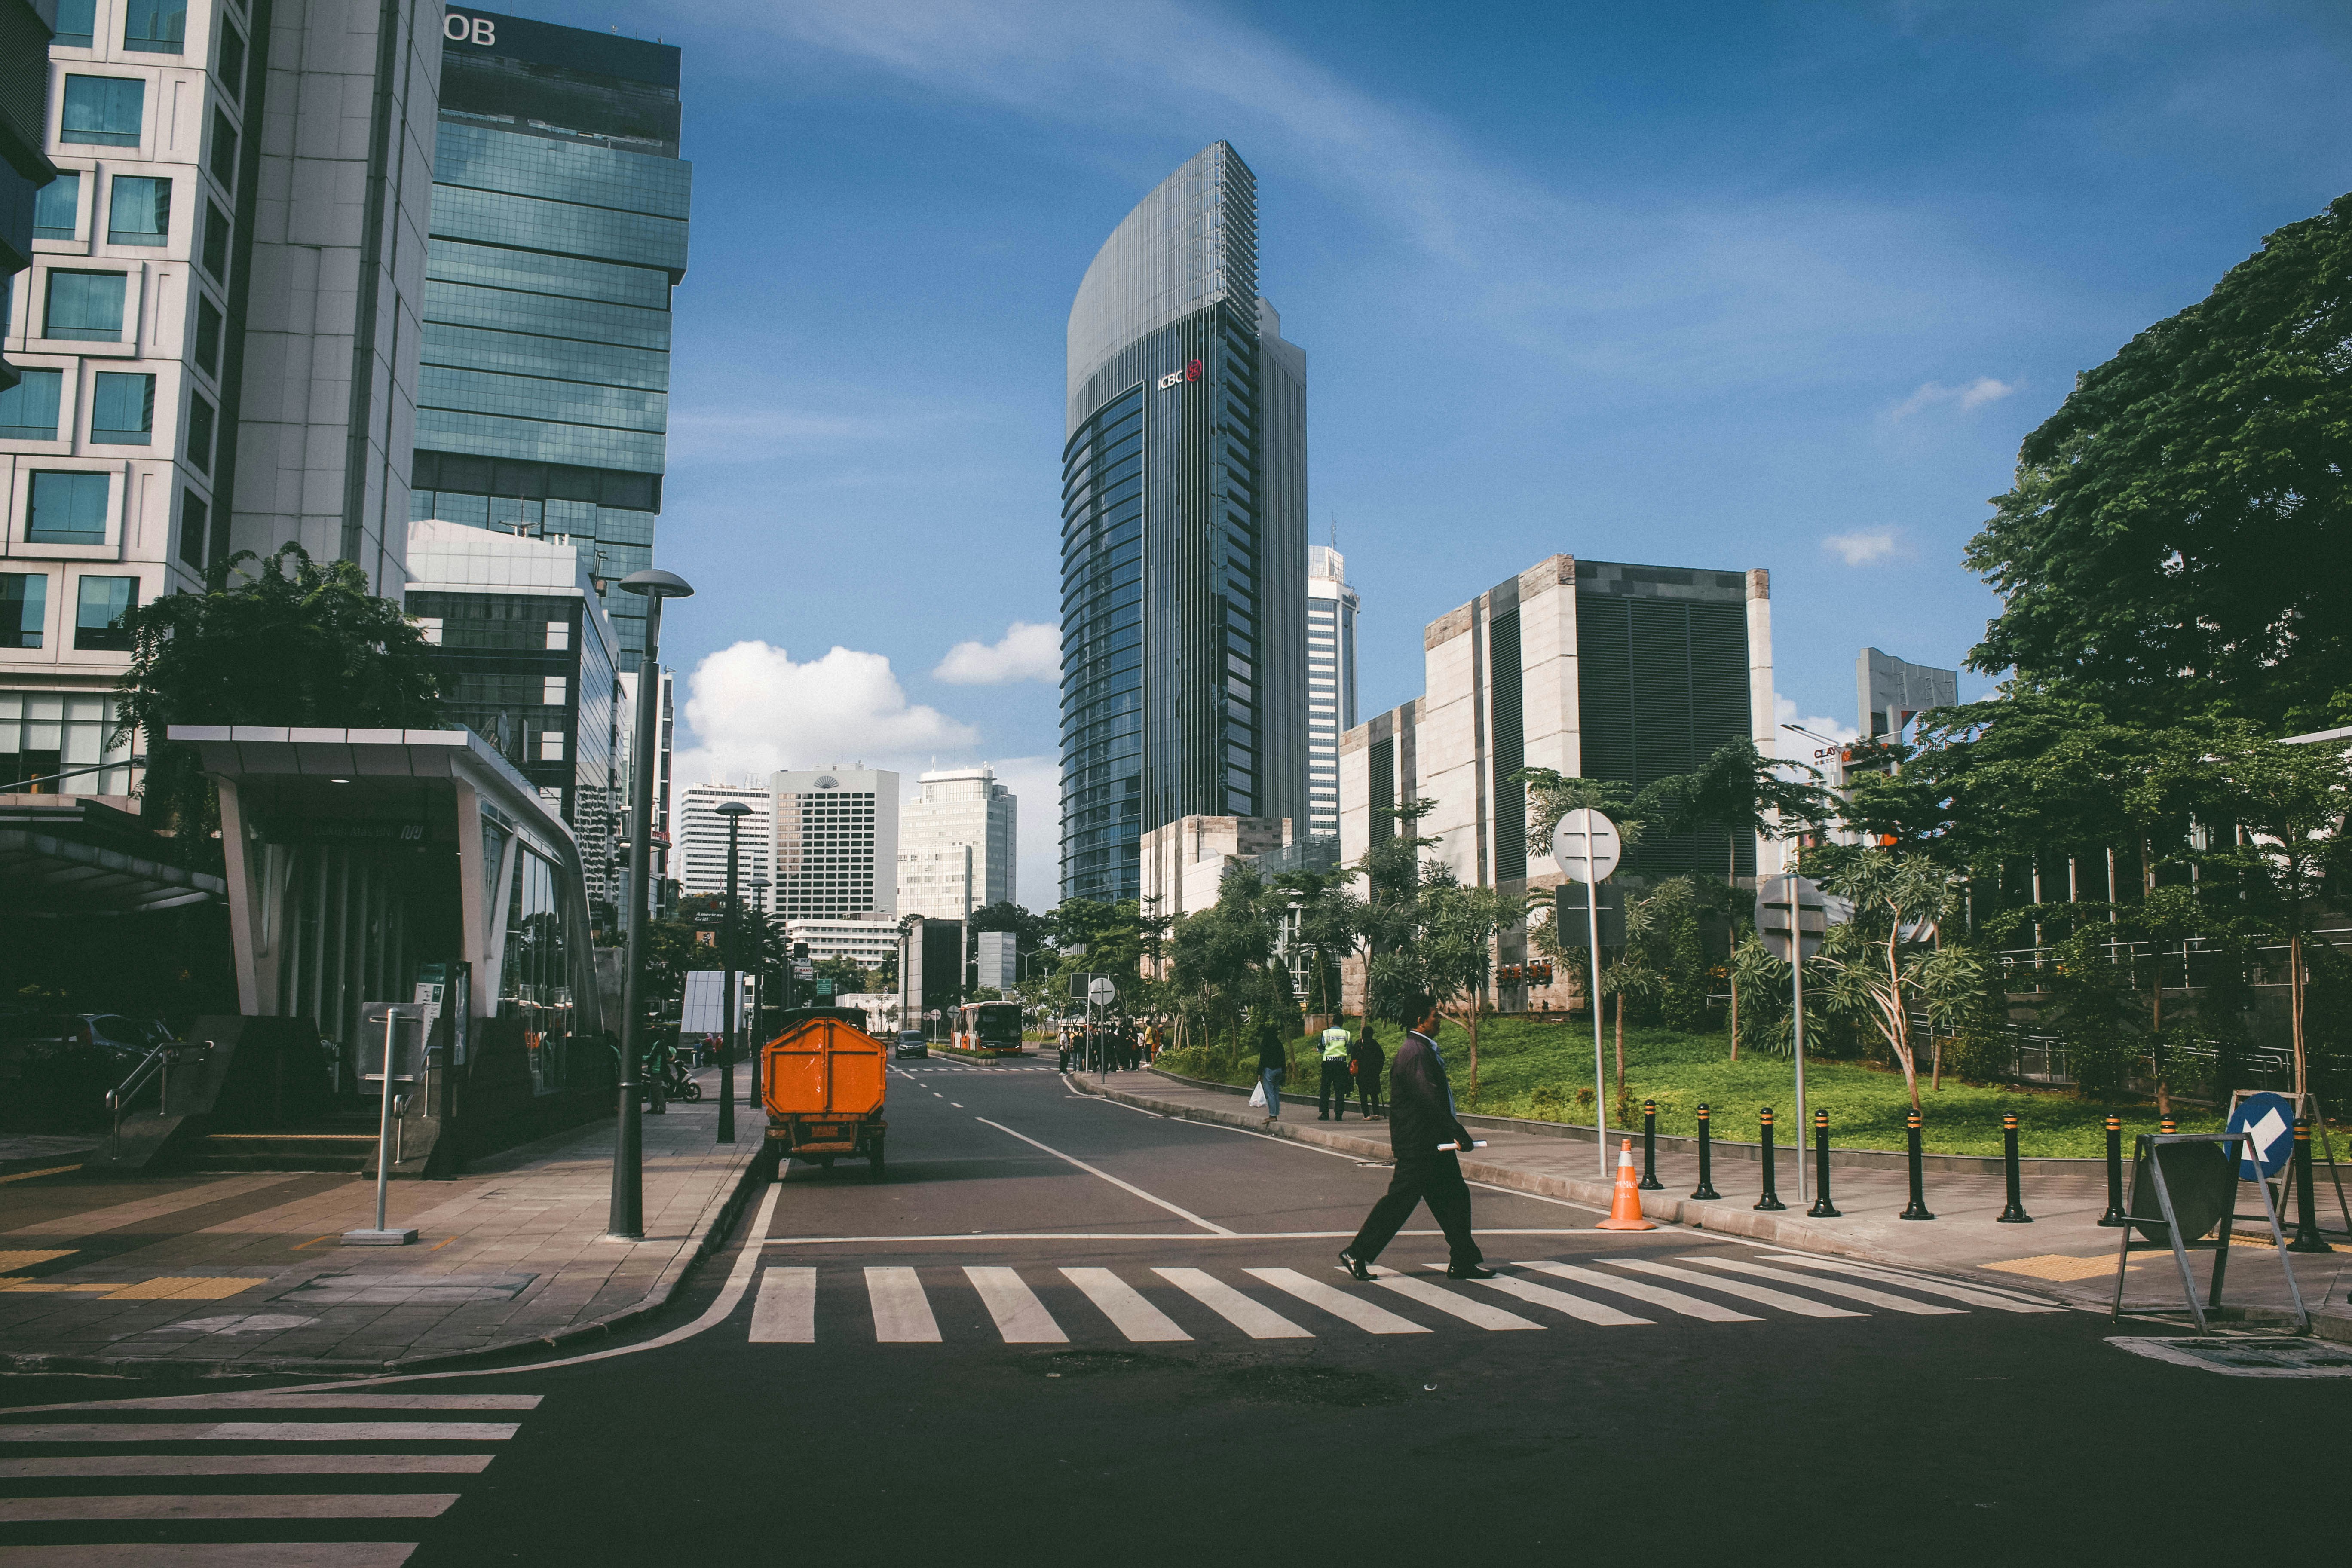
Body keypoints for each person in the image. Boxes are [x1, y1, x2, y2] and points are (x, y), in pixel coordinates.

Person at [1338, 993, 1494, 1282]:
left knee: (1456, 1198)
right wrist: (1459, 1133)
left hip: (1431, 1144)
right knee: (1399, 1204)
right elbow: (1430, 1100)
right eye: (1435, 1014)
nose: (1440, 1018)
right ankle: (1357, 1253)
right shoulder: (1416, 1053)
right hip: (1421, 1145)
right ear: (1421, 1021)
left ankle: (1462, 1260)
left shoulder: (1419, 1049)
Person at [1254, 1017, 1289, 1124]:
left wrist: (1260, 1073)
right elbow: (1283, 1058)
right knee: (1276, 1092)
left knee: (1270, 1093)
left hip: (1270, 1070)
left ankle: (1273, 1115)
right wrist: (1284, 1072)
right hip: (1279, 1070)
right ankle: (1276, 1113)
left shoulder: (1266, 1044)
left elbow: (1263, 1059)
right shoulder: (1279, 1044)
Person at [1317, 1020, 1353, 1121]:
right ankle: (1339, 1115)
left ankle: (1325, 1113)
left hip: (1328, 1064)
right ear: (1342, 1023)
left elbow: (1321, 1047)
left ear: (1333, 1022)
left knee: (1325, 1089)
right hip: (1341, 1065)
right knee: (1340, 1090)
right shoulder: (1347, 1034)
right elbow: (1350, 1049)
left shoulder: (1326, 1033)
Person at [1351, 1024, 1385, 1119]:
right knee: (1374, 1093)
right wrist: (1378, 1070)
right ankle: (1376, 1113)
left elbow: (1353, 1056)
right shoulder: (1375, 1044)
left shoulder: (1359, 1044)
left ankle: (1367, 1115)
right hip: (1373, 1073)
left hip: (1362, 1073)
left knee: (1363, 1094)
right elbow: (1382, 1057)